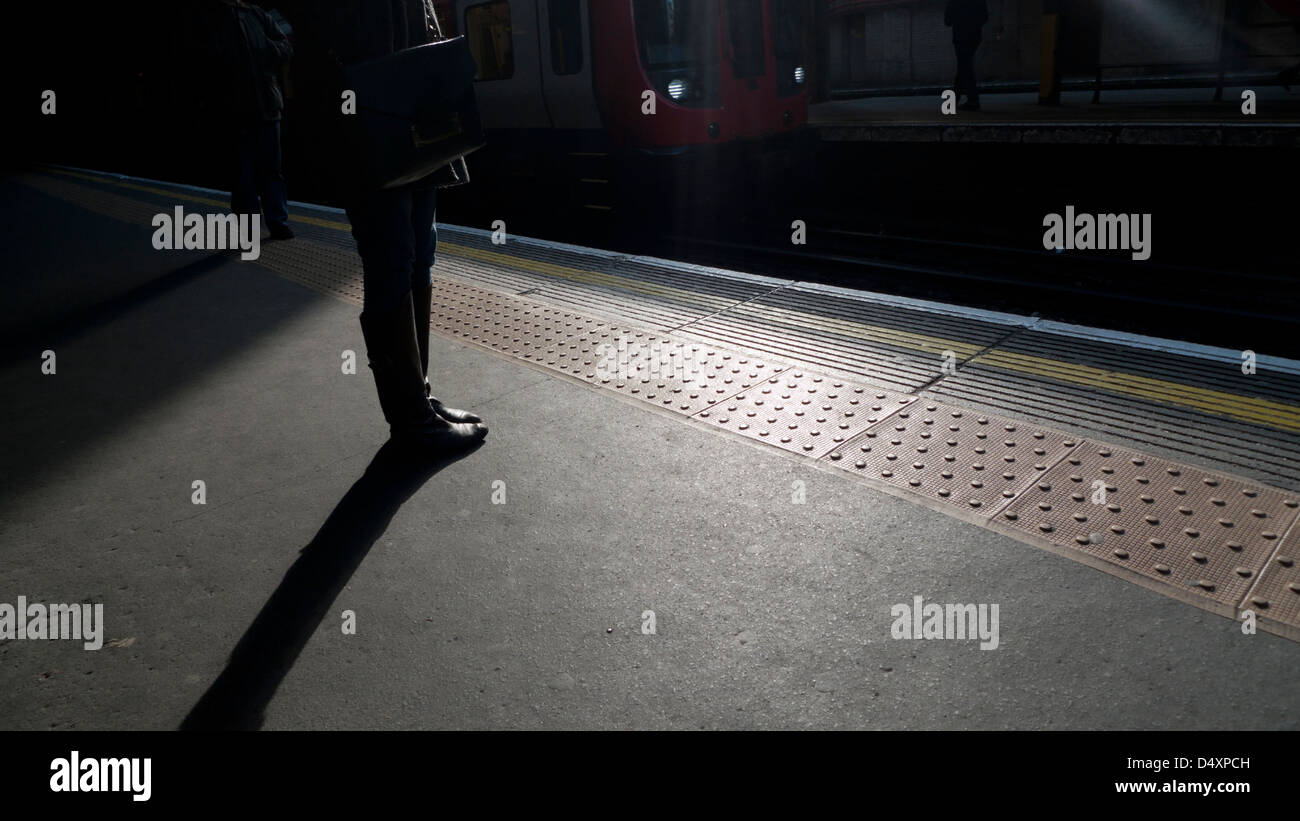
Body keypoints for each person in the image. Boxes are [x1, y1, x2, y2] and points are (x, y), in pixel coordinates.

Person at [290, 0, 487, 453]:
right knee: (392, 261)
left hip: (414, 117)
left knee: (420, 255)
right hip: (367, 127)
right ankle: (411, 422)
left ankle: (420, 397)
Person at [216, 0, 295, 240]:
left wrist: (267, 49)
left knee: (269, 170)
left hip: (265, 106)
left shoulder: (257, 14)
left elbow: (286, 47)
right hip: (237, 108)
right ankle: (251, 228)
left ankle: (276, 222)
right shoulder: (212, 17)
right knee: (243, 175)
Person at [944, 0, 988, 111]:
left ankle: (972, 100)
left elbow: (948, 21)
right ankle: (954, 101)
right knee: (964, 67)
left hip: (960, 36)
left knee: (965, 68)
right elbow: (984, 16)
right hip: (974, 36)